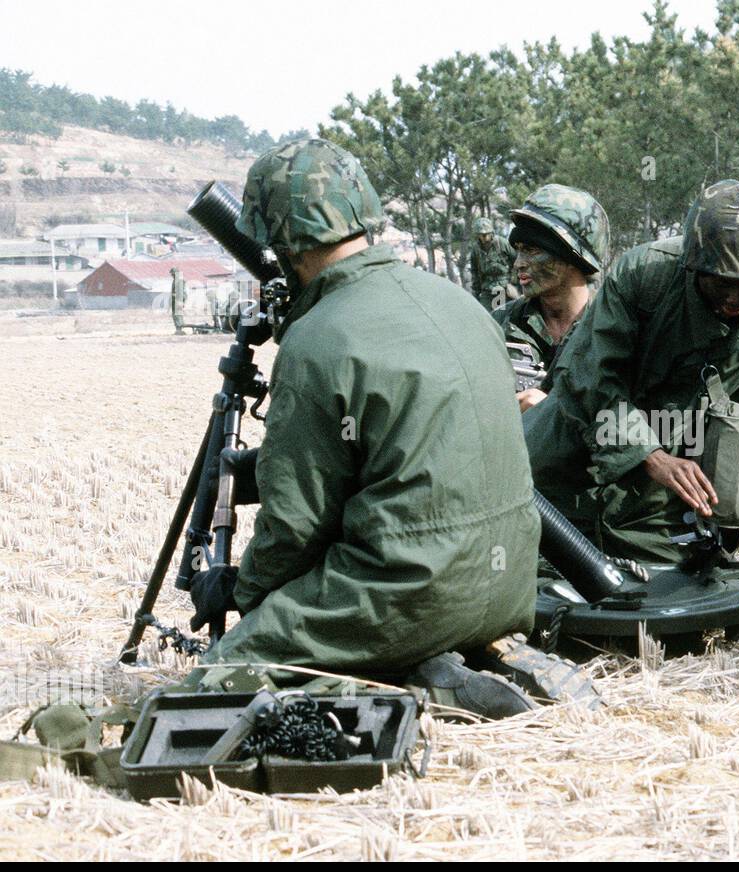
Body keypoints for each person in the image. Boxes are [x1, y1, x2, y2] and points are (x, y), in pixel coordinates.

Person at [185, 139, 548, 717]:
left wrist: (243, 595)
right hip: (510, 586)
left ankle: (410, 674)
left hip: (416, 590)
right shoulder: (456, 302)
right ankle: (437, 660)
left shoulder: (317, 341)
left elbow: (294, 526)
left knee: (218, 682)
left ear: (282, 241)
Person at [524, 179, 739, 597]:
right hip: (568, 448)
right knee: (516, 559)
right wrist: (650, 454)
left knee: (668, 594)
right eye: (721, 282)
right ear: (694, 265)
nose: (735, 298)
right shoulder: (643, 277)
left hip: (661, 499)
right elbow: (592, 379)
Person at [491, 184, 609, 412]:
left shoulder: (614, 326)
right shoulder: (501, 323)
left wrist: (556, 410)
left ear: (573, 257)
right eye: (518, 250)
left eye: (533, 250)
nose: (518, 263)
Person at [469, 216, 516, 312]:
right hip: (486, 287)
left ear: (491, 232)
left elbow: (516, 261)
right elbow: (474, 271)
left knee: (499, 315)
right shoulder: (476, 249)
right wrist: (476, 291)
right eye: (481, 234)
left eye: (486, 234)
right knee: (484, 315)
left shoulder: (501, 243)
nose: (484, 237)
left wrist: (513, 282)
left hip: (502, 286)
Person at [169, 267, 185, 335]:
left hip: (178, 300)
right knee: (175, 315)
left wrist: (180, 301)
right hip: (175, 300)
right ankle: (178, 329)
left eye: (172, 273)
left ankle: (179, 329)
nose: (171, 275)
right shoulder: (176, 280)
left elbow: (180, 292)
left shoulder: (179, 280)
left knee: (178, 315)